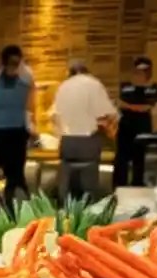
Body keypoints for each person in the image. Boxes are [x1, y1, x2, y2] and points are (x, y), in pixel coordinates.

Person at [52, 59, 117, 199]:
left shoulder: (63, 86)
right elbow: (106, 115)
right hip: (88, 143)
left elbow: (55, 116)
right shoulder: (94, 84)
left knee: (67, 190)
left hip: (67, 142)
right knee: (88, 191)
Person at [0, 45, 34, 204]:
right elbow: (30, 106)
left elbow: (29, 107)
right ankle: (20, 200)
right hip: (6, 131)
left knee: (14, 172)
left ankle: (14, 200)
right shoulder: (23, 81)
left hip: (10, 131)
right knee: (14, 172)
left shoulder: (23, 81)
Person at [114, 57, 157, 188]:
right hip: (125, 127)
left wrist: (131, 106)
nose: (140, 74)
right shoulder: (125, 86)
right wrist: (136, 107)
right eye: (138, 71)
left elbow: (148, 107)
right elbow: (120, 103)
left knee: (139, 159)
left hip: (142, 128)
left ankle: (137, 184)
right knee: (121, 159)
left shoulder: (154, 88)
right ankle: (119, 185)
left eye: (144, 71)